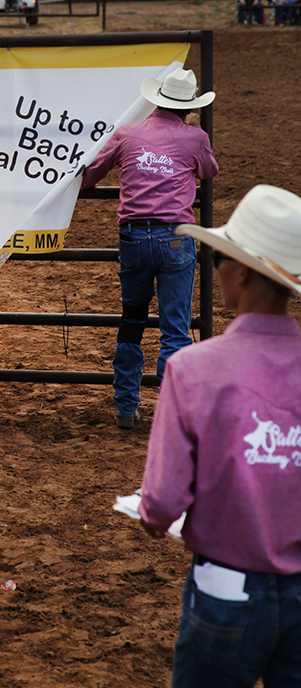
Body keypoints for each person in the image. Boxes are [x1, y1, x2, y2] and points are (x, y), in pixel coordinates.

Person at [137, 183, 301, 688]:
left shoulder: (194, 370)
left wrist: (154, 513)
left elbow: (162, 505)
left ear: (236, 273)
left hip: (225, 593)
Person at [80, 67, 218, 428]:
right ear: (189, 107)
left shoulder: (127, 134)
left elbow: (91, 174)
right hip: (175, 238)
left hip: (134, 239)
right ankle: (173, 413)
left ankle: (126, 405)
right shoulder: (195, 137)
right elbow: (208, 171)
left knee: (132, 321)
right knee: (175, 328)